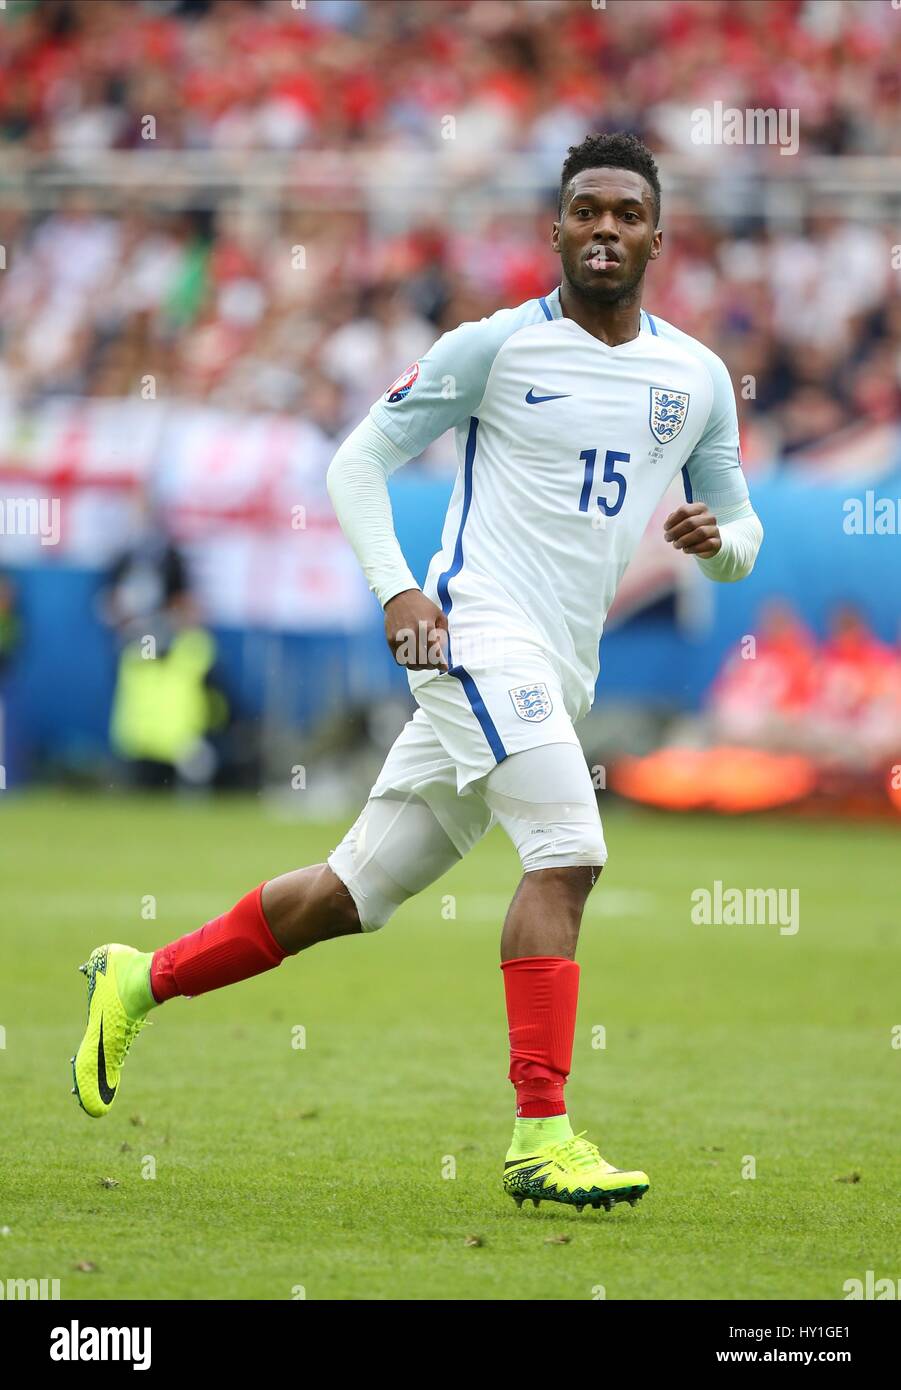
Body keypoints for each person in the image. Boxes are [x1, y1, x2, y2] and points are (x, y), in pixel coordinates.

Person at [71, 133, 763, 1214]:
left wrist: (714, 540)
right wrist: (400, 588)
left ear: (658, 237)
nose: (605, 230)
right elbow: (356, 461)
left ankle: (139, 979)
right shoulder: (491, 348)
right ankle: (541, 1133)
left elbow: (743, 531)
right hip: (477, 634)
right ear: (556, 228)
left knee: (348, 896)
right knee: (569, 849)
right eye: (586, 210)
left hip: (554, 665)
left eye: (627, 214)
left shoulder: (696, 376)